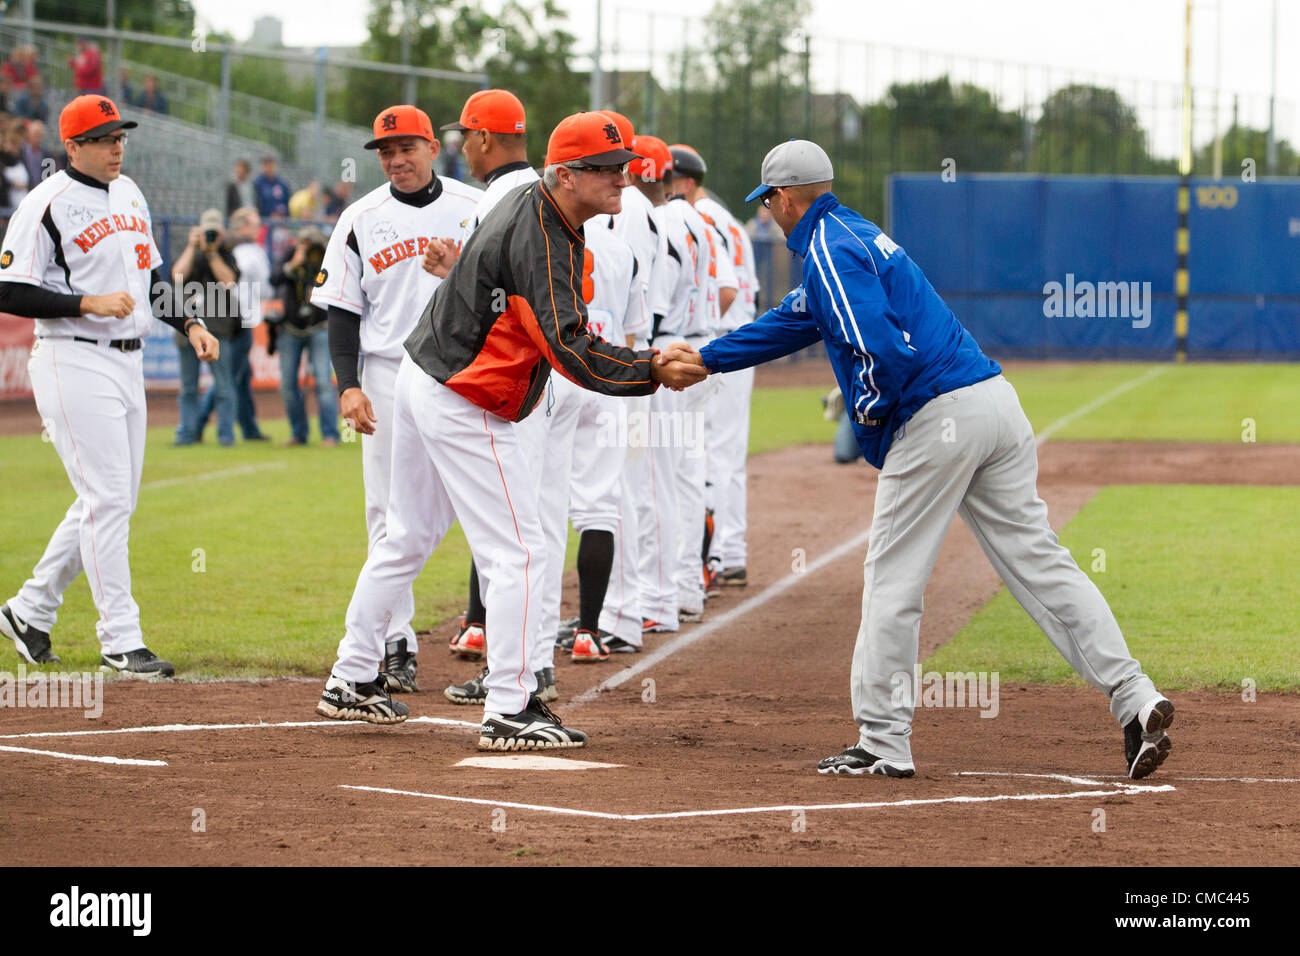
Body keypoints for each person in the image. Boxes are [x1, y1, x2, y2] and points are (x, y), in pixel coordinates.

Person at [666, 139, 1176, 780]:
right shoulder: (854, 234)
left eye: (768, 199)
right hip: (995, 404)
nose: (767, 211)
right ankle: (1136, 698)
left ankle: (882, 740)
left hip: (938, 418)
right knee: (1043, 565)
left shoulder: (827, 248)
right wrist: (709, 358)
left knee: (893, 578)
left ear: (788, 196)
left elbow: (881, 348)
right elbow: (799, 318)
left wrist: (871, 416)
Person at [316, 110, 706, 751]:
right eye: (606, 169)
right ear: (564, 174)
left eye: (624, 165)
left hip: (429, 373)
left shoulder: (539, 206)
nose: (622, 177)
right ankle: (509, 706)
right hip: (464, 392)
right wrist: (651, 369)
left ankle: (352, 676)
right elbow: (569, 347)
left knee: (407, 535)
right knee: (520, 552)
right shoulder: (544, 233)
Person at [0, 94, 219, 676]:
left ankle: (29, 609)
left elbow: (152, 279)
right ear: (71, 147)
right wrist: (84, 303)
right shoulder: (46, 201)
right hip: (72, 359)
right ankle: (120, 637)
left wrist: (191, 321)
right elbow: (8, 288)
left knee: (109, 500)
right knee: (108, 500)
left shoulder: (131, 194)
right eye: (103, 138)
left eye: (120, 136)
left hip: (128, 361)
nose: (116, 146)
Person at [313, 104, 479, 695]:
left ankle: (490, 633)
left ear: (434, 147)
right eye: (385, 151)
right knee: (386, 514)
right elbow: (341, 312)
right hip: (386, 371)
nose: (395, 160)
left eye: (406, 147)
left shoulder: (473, 207)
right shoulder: (360, 217)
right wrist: (348, 384)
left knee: (479, 507)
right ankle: (396, 642)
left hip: (460, 371)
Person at [434, 88, 538, 678]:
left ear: (482, 138)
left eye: (464, 136)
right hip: (525, 369)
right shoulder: (536, 190)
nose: (462, 147)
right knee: (527, 535)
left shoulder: (498, 197)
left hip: (494, 375)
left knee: (516, 540)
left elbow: (497, 298)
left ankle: (509, 681)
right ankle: (516, 678)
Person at [670, 144, 760, 589]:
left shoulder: (696, 219)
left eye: (670, 182)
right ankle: (732, 550)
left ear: (685, 182)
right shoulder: (730, 222)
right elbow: (749, 291)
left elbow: (723, 292)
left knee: (704, 453)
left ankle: (716, 553)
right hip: (740, 341)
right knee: (728, 451)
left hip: (717, 345)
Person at [663, 144, 737, 622]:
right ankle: (691, 581)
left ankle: (663, 592)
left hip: (674, 353)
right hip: (701, 348)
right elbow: (726, 290)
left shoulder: (666, 221)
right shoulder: (707, 222)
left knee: (659, 479)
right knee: (691, 471)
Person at [196, 207, 269, 442]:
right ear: (242, 227)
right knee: (228, 377)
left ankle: (249, 428)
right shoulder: (248, 252)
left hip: (228, 318)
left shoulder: (226, 249)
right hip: (238, 321)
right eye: (254, 223)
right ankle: (198, 422)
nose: (259, 228)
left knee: (240, 376)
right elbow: (264, 287)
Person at [171, 208, 242, 446]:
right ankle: (186, 435)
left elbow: (228, 280)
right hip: (187, 330)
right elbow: (177, 275)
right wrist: (193, 246)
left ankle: (225, 436)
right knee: (188, 387)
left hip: (218, 330)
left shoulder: (226, 255)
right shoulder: (190, 251)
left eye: (213, 232)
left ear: (221, 234)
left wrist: (212, 253)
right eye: (206, 232)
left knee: (224, 386)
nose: (210, 237)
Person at [270, 225, 338, 446]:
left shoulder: (327, 258)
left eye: (312, 245)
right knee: (288, 385)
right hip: (291, 327)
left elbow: (338, 284)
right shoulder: (290, 256)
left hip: (318, 326)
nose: (308, 249)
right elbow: (274, 279)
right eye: (304, 244)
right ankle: (298, 434)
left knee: (323, 381)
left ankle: (330, 434)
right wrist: (293, 264)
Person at [1, 119, 30, 209]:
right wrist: (13, 184)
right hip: (5, 206)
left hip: (21, 203)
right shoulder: (3, 159)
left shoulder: (22, 158)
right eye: (13, 143)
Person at [21, 119, 58, 189]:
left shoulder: (46, 154)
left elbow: (50, 175)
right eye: (35, 134)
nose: (37, 137)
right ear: (28, 134)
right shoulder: (21, 151)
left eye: (40, 134)